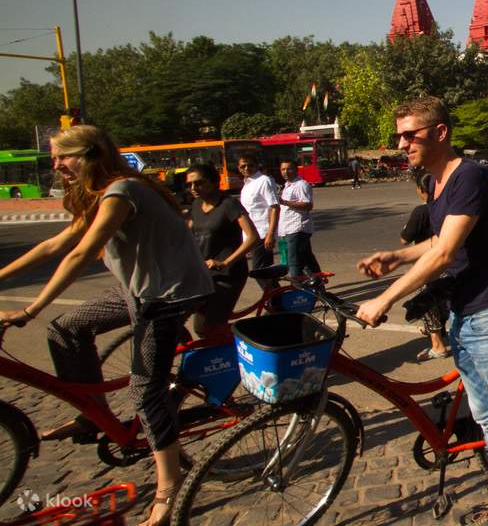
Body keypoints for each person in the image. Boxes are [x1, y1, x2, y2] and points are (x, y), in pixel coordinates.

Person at [354, 96, 488, 526]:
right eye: (400, 135)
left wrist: (384, 298)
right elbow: (439, 241)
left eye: (410, 134)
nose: (402, 143)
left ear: (440, 133)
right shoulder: (435, 183)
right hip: (462, 314)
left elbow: (446, 252)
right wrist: (398, 254)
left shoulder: (470, 176)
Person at [0, 126, 214, 526]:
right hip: (135, 291)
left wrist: (31, 309)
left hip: (168, 296)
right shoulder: (101, 194)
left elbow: (80, 253)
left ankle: (169, 489)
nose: (56, 165)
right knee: (64, 329)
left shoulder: (123, 191)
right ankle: (92, 414)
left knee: (143, 391)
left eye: (62, 156)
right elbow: (54, 245)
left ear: (92, 154)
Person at [186, 161, 258, 336]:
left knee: (212, 327)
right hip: (204, 274)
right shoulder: (196, 205)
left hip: (228, 275)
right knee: (199, 326)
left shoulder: (228, 204)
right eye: (190, 184)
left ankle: (239, 351)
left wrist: (225, 262)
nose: (194, 188)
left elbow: (253, 237)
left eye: (199, 183)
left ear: (213, 182)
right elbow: (188, 234)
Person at [402, 170, 451, 361]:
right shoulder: (450, 206)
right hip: (450, 261)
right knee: (447, 299)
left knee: (428, 303)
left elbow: (405, 239)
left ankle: (438, 345)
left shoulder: (421, 211)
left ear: (421, 189)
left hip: (429, 264)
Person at [238, 153, 280, 291]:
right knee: (264, 273)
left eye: (250, 165)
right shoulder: (246, 185)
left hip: (262, 234)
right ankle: (276, 301)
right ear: (238, 168)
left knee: (259, 271)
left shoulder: (264, 181)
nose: (246, 168)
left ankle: (276, 302)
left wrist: (270, 234)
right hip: (252, 235)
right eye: (243, 166)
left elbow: (274, 207)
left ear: (257, 166)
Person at [278, 159, 319, 283]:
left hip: (297, 228)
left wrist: (285, 202)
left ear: (296, 169)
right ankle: (318, 286)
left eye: (289, 169)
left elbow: (307, 205)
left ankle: (296, 288)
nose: (286, 172)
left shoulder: (301, 184)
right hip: (288, 228)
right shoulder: (287, 186)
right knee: (307, 259)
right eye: (283, 169)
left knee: (294, 260)